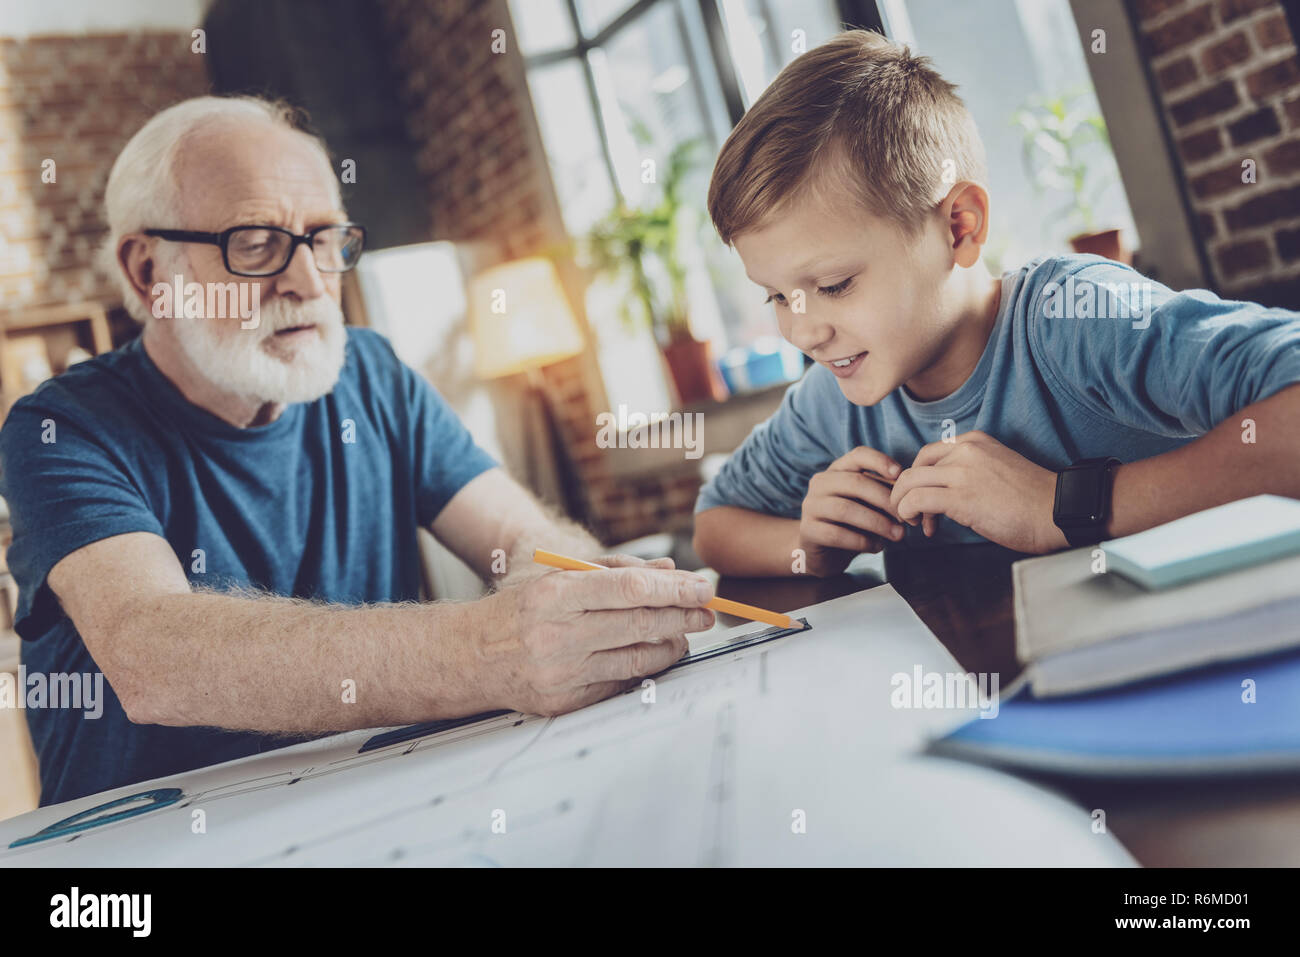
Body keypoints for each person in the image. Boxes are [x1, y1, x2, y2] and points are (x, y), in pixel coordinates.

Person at [0, 96, 715, 806]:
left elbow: (523, 536)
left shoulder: (372, 374)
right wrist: (493, 649)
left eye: (325, 239)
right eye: (254, 243)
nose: (309, 283)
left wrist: (582, 594)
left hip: (370, 808)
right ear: (149, 273)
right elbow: (153, 656)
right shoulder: (62, 426)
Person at [693, 30, 1300, 578]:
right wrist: (806, 544)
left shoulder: (1074, 317)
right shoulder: (834, 400)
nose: (802, 333)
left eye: (833, 285)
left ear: (958, 227)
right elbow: (716, 525)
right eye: (777, 295)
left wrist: (1062, 508)